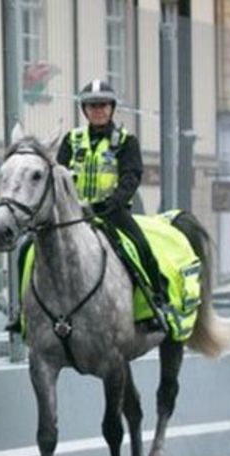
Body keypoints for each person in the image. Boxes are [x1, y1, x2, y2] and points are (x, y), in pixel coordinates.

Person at [56, 79, 168, 321]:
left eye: (103, 105)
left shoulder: (126, 142)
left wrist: (113, 202)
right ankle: (23, 312)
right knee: (30, 248)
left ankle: (157, 301)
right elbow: (59, 176)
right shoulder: (71, 141)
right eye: (92, 106)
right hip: (73, 215)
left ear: (112, 108)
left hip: (111, 213)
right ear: (84, 110)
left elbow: (131, 176)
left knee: (141, 247)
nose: (98, 110)